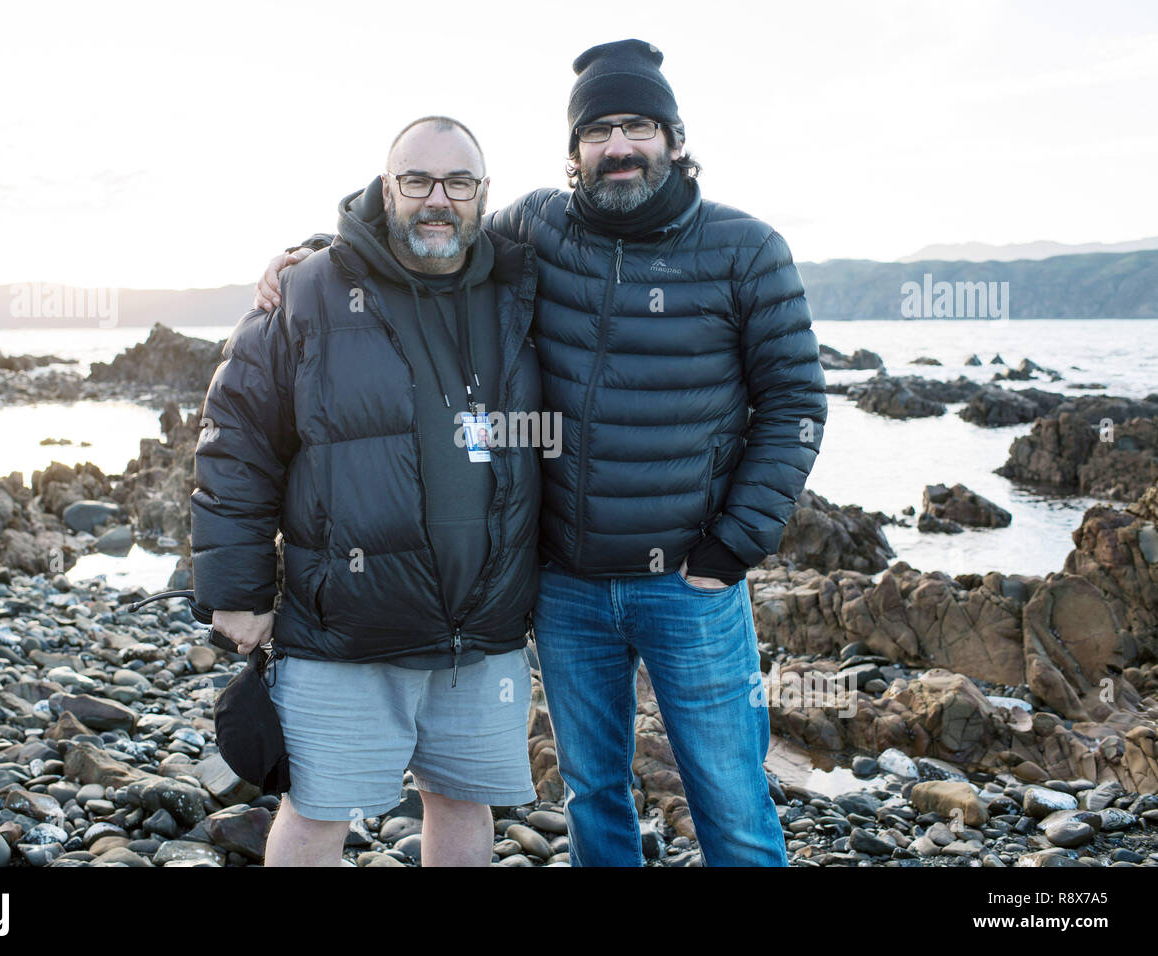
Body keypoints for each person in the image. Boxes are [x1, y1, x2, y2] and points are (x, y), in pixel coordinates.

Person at [255, 39, 827, 867]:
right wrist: (315, 251)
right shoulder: (536, 229)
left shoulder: (746, 249)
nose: (618, 146)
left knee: (731, 804)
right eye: (598, 132)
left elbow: (796, 403)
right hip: (566, 585)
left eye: (637, 125)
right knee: (593, 792)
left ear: (672, 137)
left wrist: (736, 542)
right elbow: (425, 240)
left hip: (690, 583)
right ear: (575, 151)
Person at [193, 116, 543, 867]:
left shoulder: (520, 285)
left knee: (462, 803)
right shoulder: (309, 292)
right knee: (318, 811)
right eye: (417, 180)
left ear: (486, 194)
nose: (437, 199)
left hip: (479, 633)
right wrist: (236, 591)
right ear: (387, 188)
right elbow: (236, 440)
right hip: (345, 629)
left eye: (458, 182)